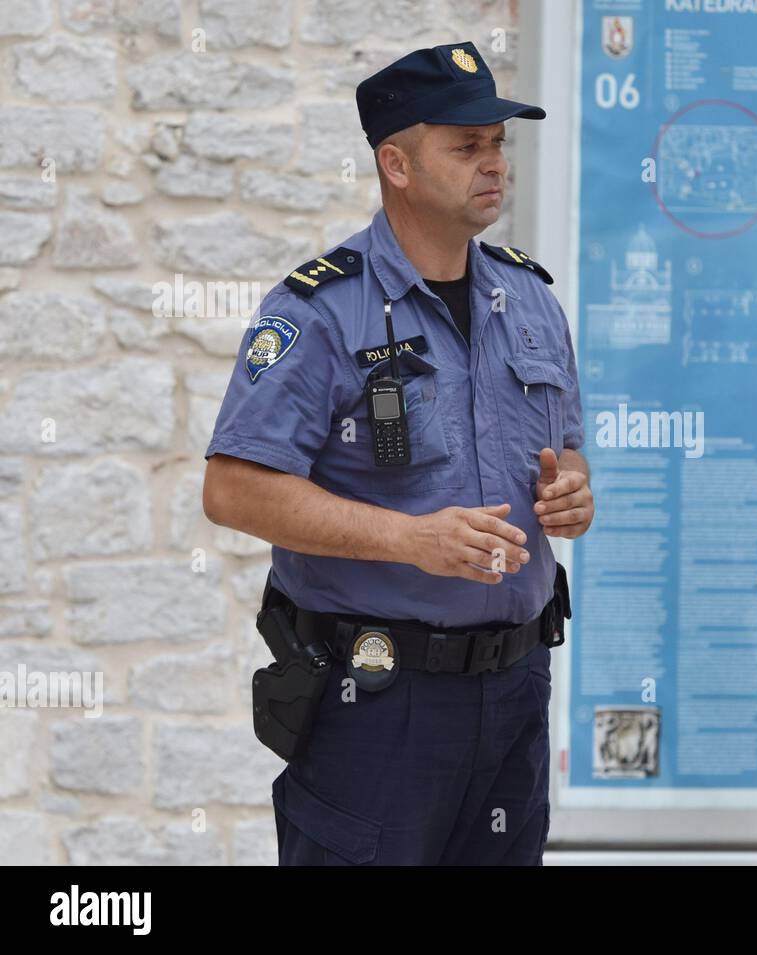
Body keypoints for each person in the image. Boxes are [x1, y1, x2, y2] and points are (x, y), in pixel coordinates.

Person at [202, 42, 593, 866]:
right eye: (467, 146)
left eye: (498, 145)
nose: (495, 165)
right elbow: (233, 488)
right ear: (397, 163)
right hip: (376, 700)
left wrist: (574, 496)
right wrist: (408, 538)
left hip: (517, 689)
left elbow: (567, 456)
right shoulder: (319, 310)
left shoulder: (528, 297)